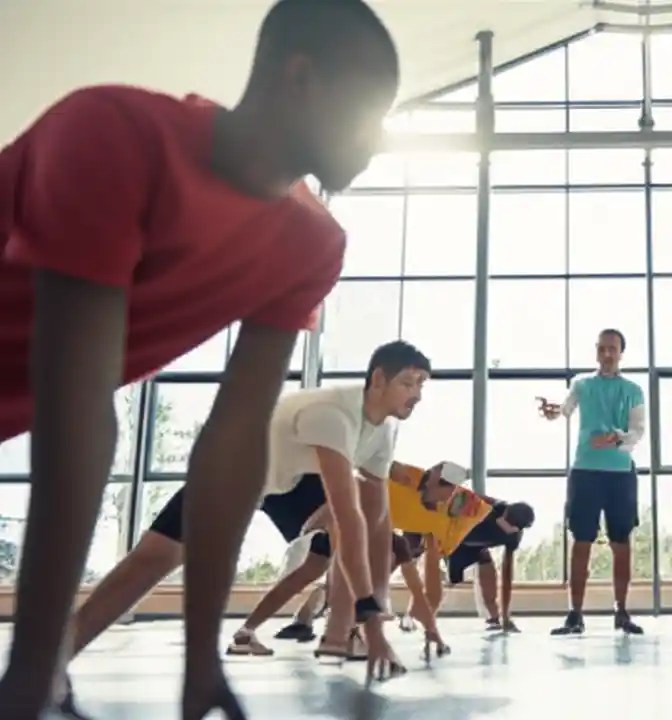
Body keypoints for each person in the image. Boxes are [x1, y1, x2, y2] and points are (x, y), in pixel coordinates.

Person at [0, 1, 399, 716]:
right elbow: (79, 407)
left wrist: (200, 660)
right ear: (302, 78)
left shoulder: (311, 245)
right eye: (372, 112)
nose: (381, 141)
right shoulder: (112, 132)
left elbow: (236, 436)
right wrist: (32, 671)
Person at [64, 341, 427, 713]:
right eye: (408, 383)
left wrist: (376, 619)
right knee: (156, 559)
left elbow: (378, 521)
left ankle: (336, 630)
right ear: (378, 378)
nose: (416, 394)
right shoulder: (332, 414)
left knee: (354, 525)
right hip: (231, 464)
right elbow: (348, 512)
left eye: (421, 385)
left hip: (285, 480)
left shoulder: (383, 431)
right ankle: (54, 662)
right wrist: (372, 623)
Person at [538, 329, 647, 635]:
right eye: (602, 349)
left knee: (621, 543)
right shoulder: (581, 384)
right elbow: (565, 409)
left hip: (621, 474)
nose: (607, 354)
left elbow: (637, 431)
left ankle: (621, 611)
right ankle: (575, 614)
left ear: (621, 352)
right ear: (596, 351)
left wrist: (617, 438)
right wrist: (552, 412)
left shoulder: (634, 390)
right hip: (585, 472)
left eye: (613, 349)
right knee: (581, 542)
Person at [226, 532, 447, 659]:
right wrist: (432, 630)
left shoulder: (391, 537)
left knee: (297, 581)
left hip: (332, 533)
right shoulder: (399, 547)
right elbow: (417, 592)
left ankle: (247, 630)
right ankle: (344, 635)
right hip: (348, 541)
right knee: (370, 592)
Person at [420, 500, 536, 633]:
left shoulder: (513, 537)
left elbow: (506, 576)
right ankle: (423, 612)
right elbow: (448, 501)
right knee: (449, 579)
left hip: (477, 549)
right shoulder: (486, 506)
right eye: (504, 521)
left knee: (486, 564)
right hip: (449, 540)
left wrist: (505, 616)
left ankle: (494, 617)